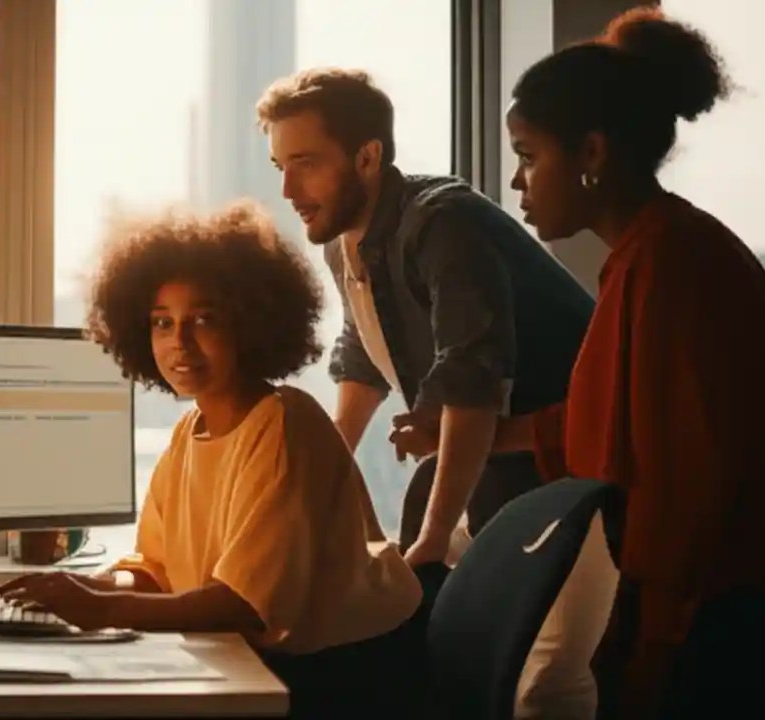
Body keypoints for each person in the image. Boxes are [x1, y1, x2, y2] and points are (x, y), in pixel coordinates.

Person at [497, 7, 765, 717]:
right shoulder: (648, 254)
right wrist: (489, 436)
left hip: (760, 598)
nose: (518, 182)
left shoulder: (672, 265)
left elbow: (685, 481)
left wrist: (652, 647)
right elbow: (614, 420)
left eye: (528, 154)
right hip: (750, 590)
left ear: (591, 154)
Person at [257, 67, 617, 717]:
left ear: (368, 157)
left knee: (543, 687)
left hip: (574, 485)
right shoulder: (344, 245)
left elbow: (471, 378)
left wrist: (434, 532)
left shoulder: (442, 223)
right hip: (493, 480)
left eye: (305, 164)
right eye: (280, 166)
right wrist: (312, 483)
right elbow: (363, 358)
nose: (287, 189)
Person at [0, 202, 424, 719]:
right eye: (162, 322)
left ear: (249, 322)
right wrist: (90, 587)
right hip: (263, 663)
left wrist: (102, 608)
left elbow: (241, 603)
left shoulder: (285, 423)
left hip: (351, 676)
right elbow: (154, 571)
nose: (179, 342)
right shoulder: (188, 432)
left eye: (203, 320)